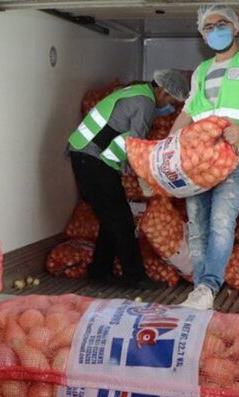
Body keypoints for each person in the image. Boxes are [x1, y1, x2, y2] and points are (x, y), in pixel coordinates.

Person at [170, 4, 239, 309]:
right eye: (209, 27)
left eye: (222, 24)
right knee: (197, 226)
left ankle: (208, 286)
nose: (215, 30)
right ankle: (200, 291)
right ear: (202, 35)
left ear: (235, 27)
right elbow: (189, 111)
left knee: (221, 222)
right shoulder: (201, 71)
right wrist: (167, 143)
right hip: (199, 162)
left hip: (233, 159)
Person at [68, 69, 189, 288]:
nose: (170, 108)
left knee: (111, 218)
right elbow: (136, 148)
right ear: (162, 91)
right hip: (92, 159)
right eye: (171, 101)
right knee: (121, 219)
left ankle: (99, 271)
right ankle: (135, 277)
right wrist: (147, 182)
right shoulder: (145, 103)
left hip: (91, 157)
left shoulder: (137, 91)